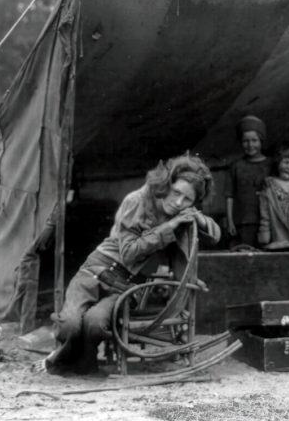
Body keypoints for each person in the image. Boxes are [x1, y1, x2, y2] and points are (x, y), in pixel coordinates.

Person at [41, 154, 221, 375]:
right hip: (96, 270)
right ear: (167, 184)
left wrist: (200, 218)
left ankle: (85, 363)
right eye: (176, 193)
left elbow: (214, 235)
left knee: (95, 324)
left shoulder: (182, 214)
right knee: (70, 324)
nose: (178, 203)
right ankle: (64, 358)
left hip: (128, 287)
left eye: (187, 200)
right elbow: (128, 253)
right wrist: (168, 227)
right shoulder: (137, 200)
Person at [225, 115, 270, 248]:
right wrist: (230, 221)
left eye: (254, 140)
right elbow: (229, 196)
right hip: (242, 222)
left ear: (261, 141)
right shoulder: (236, 166)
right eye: (246, 141)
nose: (250, 145)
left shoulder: (271, 164)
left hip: (266, 222)